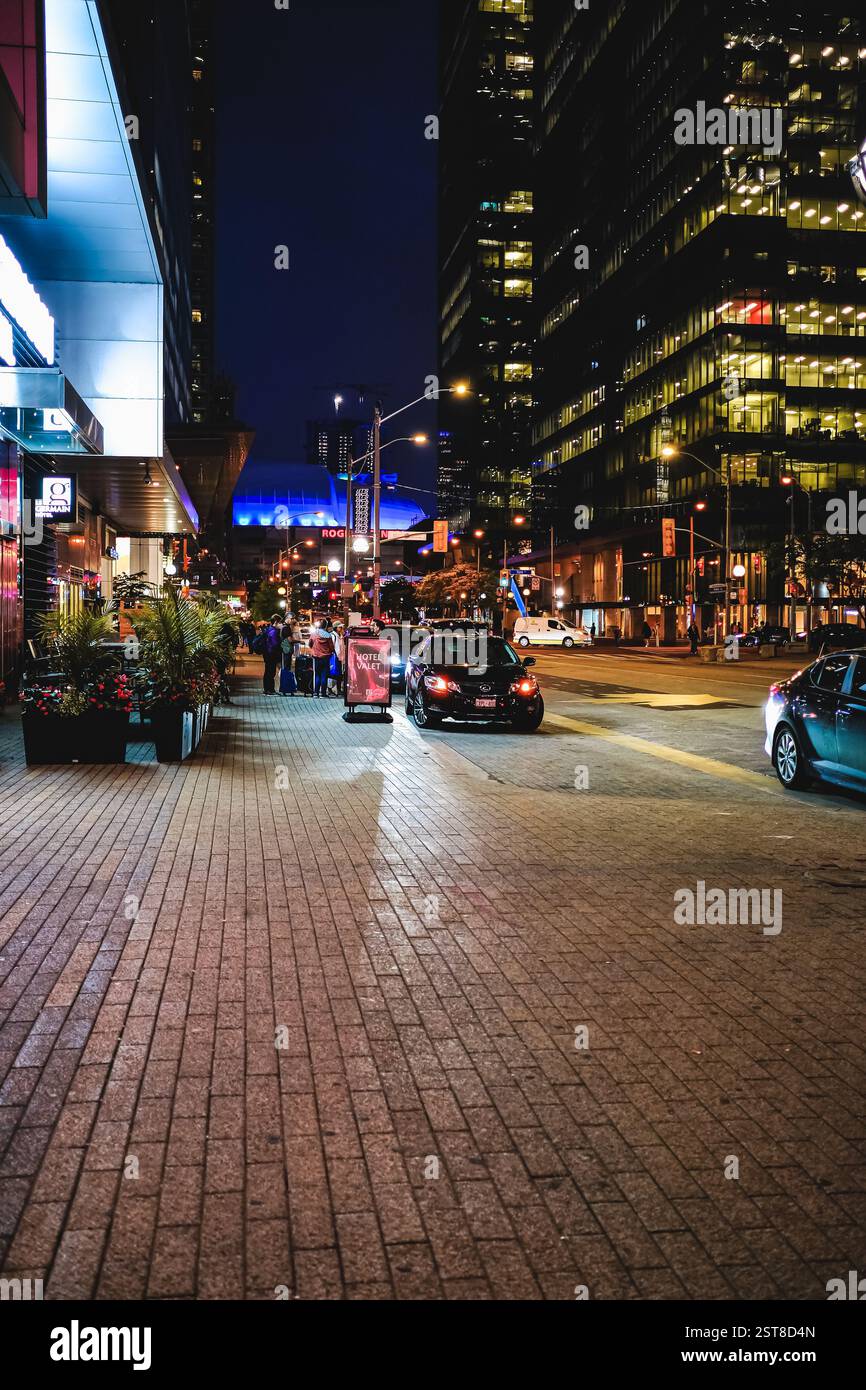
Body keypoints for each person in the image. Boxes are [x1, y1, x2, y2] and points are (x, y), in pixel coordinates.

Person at [256, 615, 282, 695]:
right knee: (270, 672)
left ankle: (267, 689)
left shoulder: (269, 629)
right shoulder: (273, 631)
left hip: (267, 654)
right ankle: (270, 690)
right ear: (276, 622)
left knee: (268, 672)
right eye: (280, 622)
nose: (281, 624)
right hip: (271, 654)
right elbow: (274, 644)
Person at [309, 619, 335, 698]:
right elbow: (331, 647)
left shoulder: (314, 634)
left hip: (316, 657)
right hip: (326, 657)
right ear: (326, 626)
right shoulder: (328, 635)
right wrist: (331, 652)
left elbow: (310, 643)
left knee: (317, 675)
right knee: (324, 675)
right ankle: (323, 693)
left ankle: (316, 693)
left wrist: (313, 649)